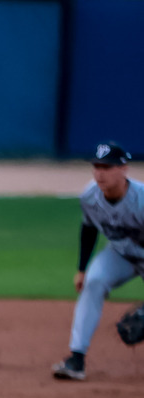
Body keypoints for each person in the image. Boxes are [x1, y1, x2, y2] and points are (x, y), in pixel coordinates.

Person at [53, 141, 144, 381]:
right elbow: (89, 228)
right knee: (94, 281)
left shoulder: (141, 200)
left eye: (107, 167)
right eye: (97, 167)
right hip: (121, 255)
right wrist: (81, 269)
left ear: (123, 169)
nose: (100, 173)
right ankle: (76, 359)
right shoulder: (89, 195)